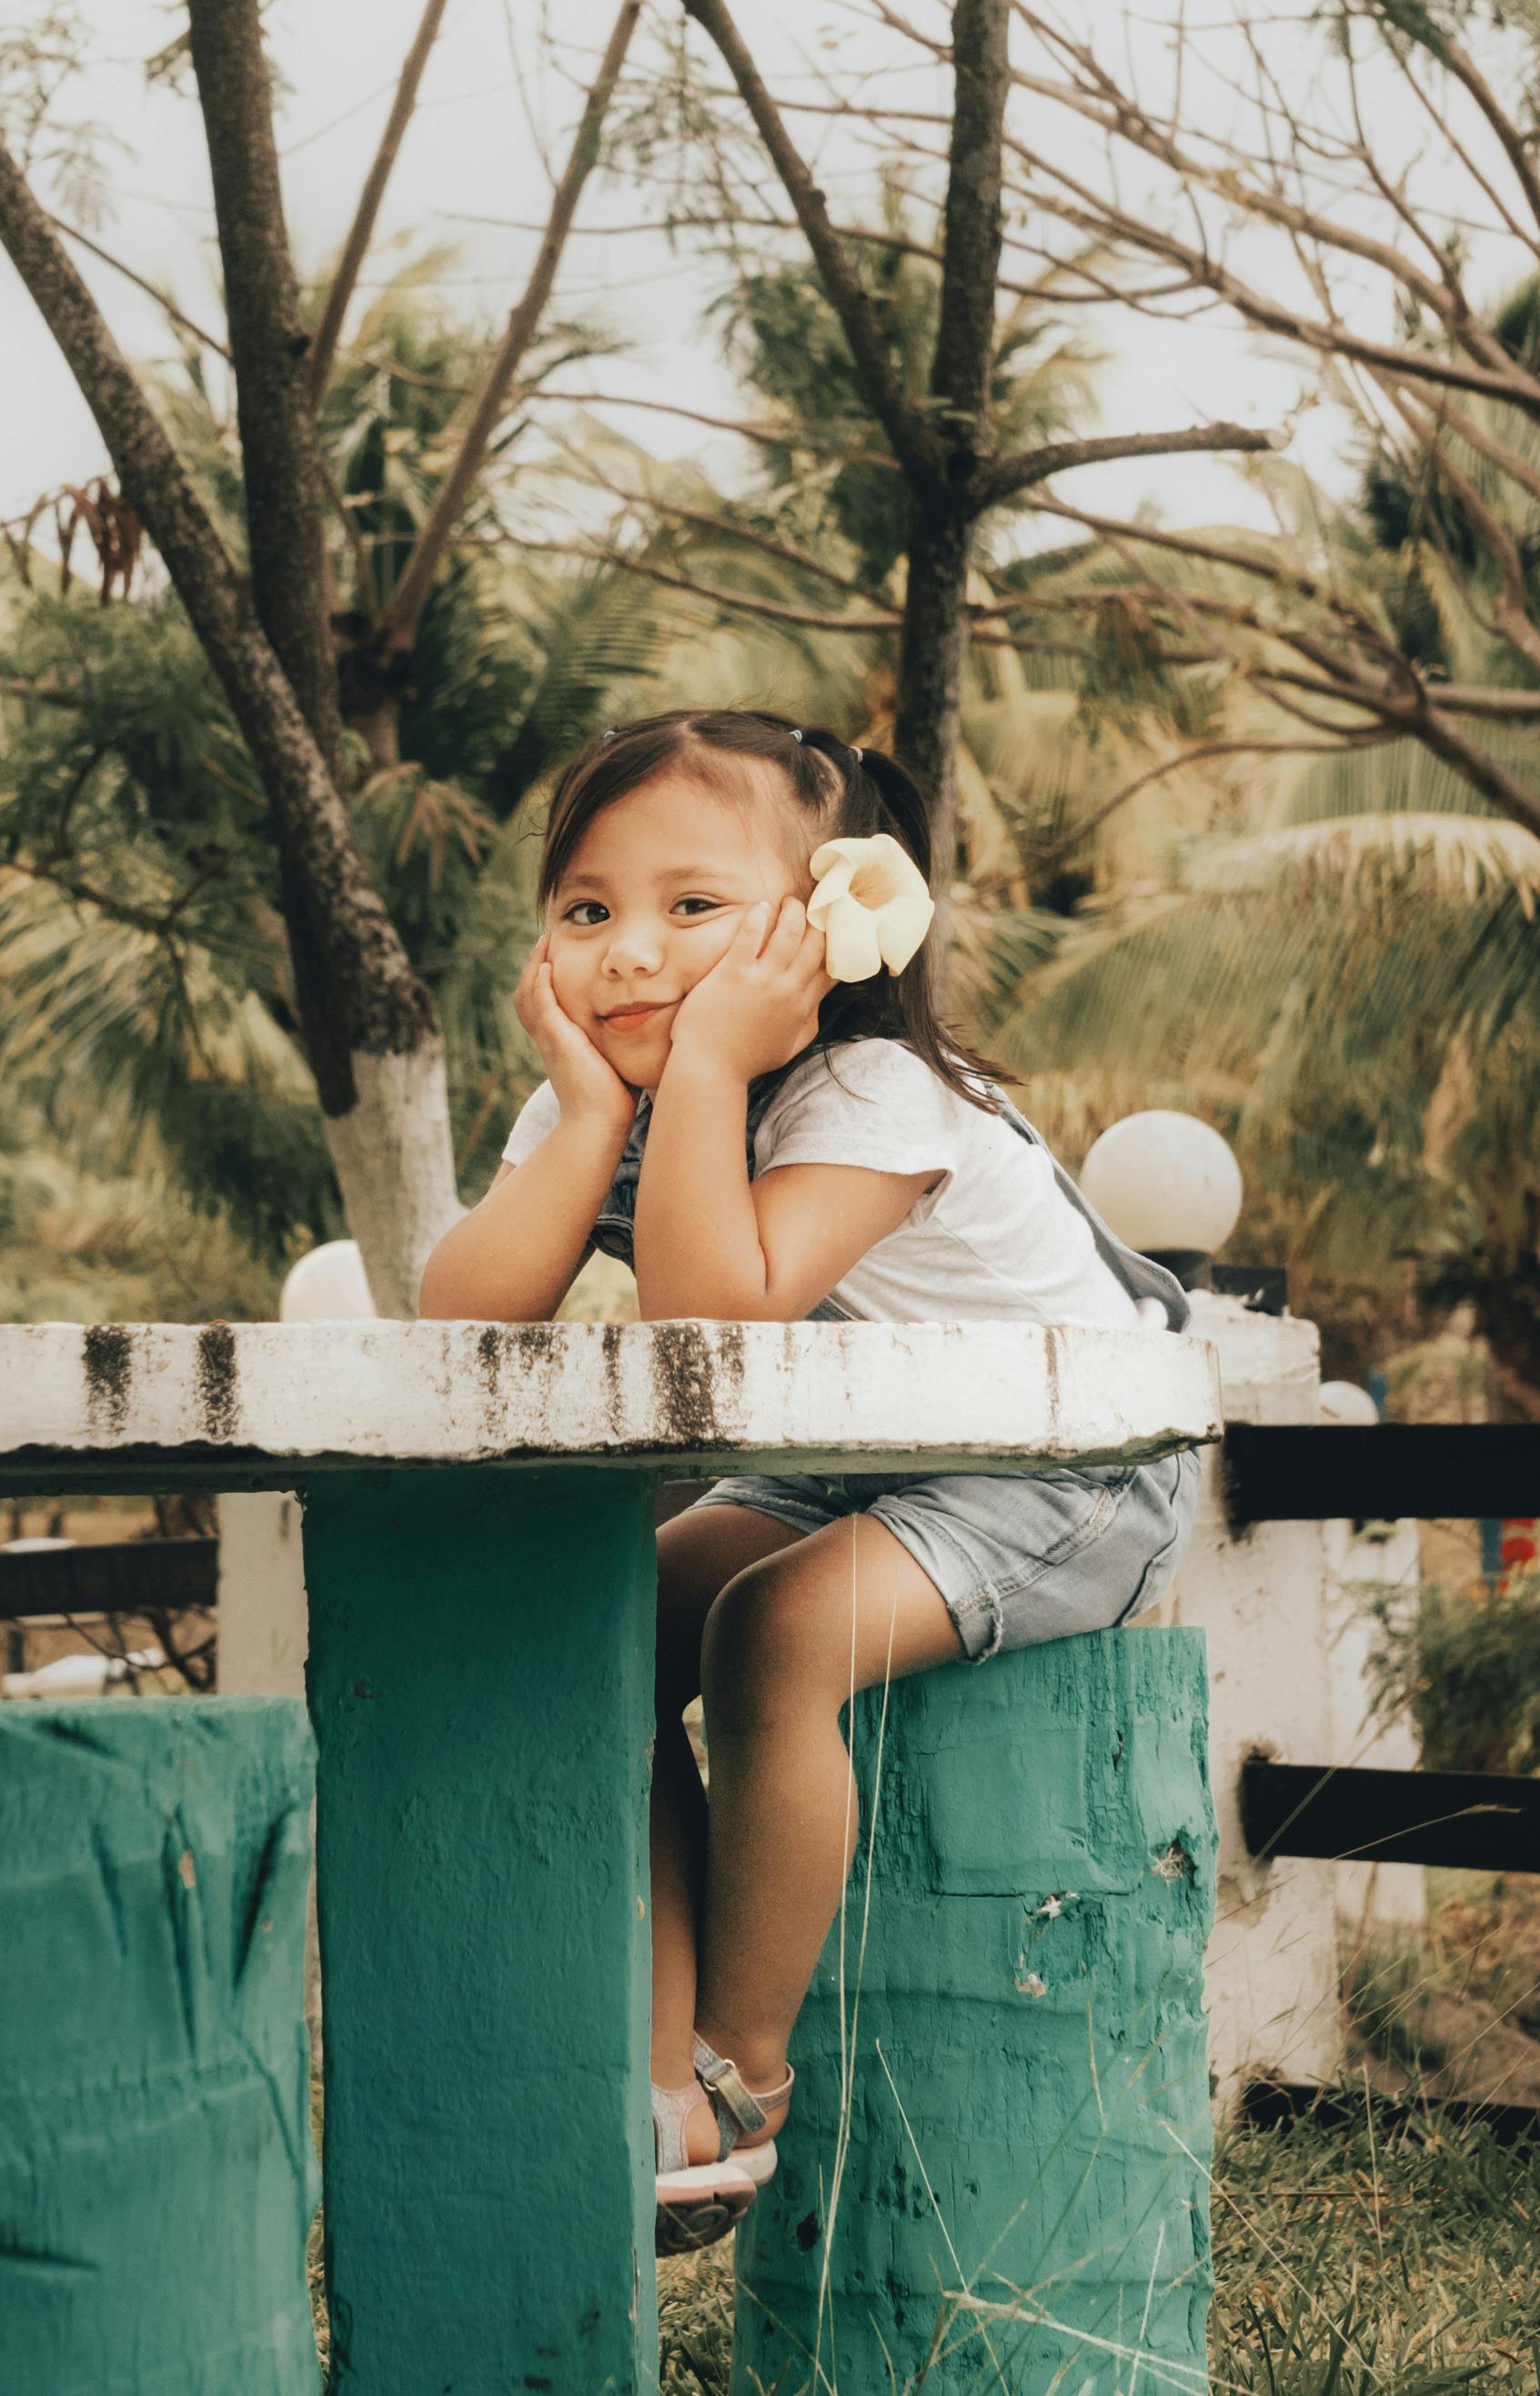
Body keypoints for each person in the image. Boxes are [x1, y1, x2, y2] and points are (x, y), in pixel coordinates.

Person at [419, 709, 1197, 2255]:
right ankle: (649, 2070)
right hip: (851, 1458)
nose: (631, 952)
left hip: (1064, 1472)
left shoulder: (875, 1095)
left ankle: (739, 2070)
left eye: (691, 907)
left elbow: (717, 1311)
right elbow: (462, 1309)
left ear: (831, 921)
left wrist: (708, 1061)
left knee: (767, 1640)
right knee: (604, 1629)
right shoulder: (602, 1103)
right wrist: (588, 1116)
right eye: (587, 911)